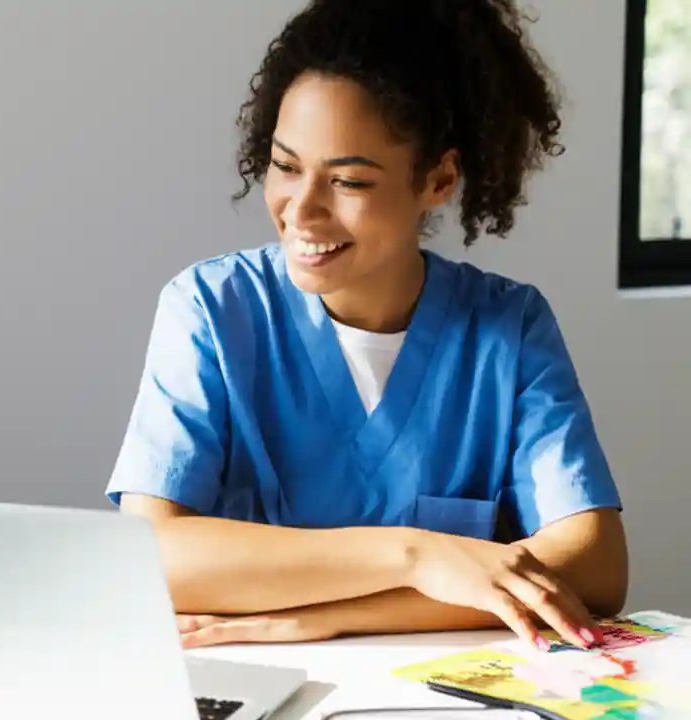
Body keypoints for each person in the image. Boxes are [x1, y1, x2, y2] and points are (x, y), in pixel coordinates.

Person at [106, 0, 628, 652]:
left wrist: (335, 615)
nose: (302, 210)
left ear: (438, 179)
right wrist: (417, 557)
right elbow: (151, 556)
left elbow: (597, 566)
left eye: (348, 180)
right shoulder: (211, 310)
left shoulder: (508, 328)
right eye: (285, 166)